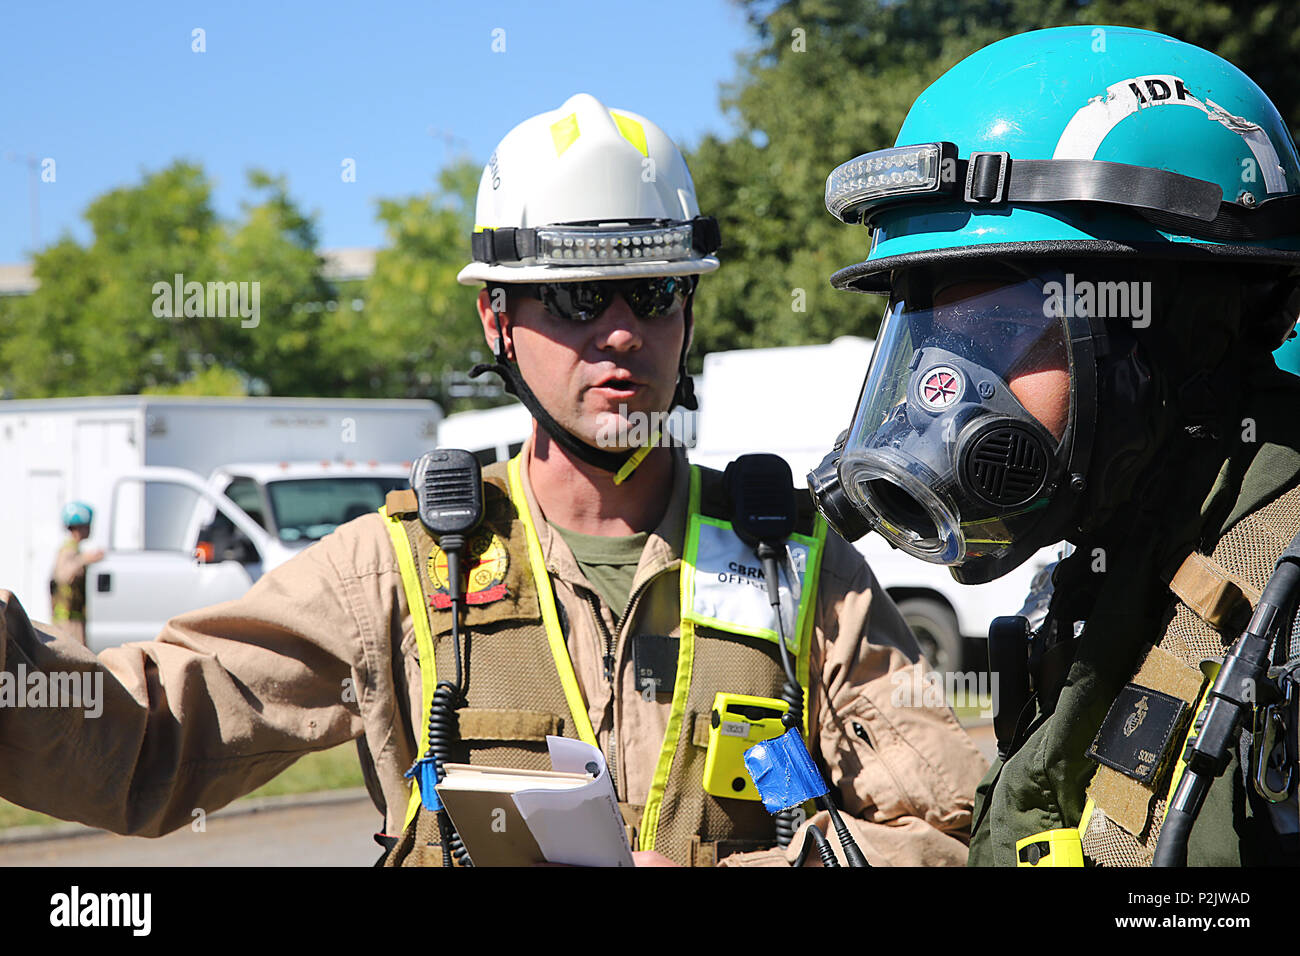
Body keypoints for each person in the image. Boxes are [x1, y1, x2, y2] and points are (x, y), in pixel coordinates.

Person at [0, 93, 985, 867]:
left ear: (687, 309)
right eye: (575, 294)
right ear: (498, 322)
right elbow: (152, 737)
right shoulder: (393, 569)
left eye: (652, 292)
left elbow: (944, 831)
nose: (619, 332)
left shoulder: (797, 564)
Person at [813, 25, 1300, 866]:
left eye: (996, 331)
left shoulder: (1283, 620)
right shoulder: (1123, 573)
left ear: (1171, 332)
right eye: (927, 336)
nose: (944, 394)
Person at [48, 501, 104, 647]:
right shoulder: (69, 550)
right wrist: (84, 560)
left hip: (75, 618)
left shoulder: (75, 549)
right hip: (67, 620)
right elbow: (63, 576)